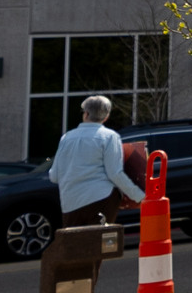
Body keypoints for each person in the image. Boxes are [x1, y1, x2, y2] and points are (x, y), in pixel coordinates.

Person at [48, 94, 140, 226]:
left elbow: (54, 176)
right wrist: (138, 195)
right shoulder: (110, 136)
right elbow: (115, 173)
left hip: (70, 203)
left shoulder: (66, 138)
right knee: (101, 238)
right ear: (106, 116)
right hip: (101, 198)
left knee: (75, 239)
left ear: (86, 114)